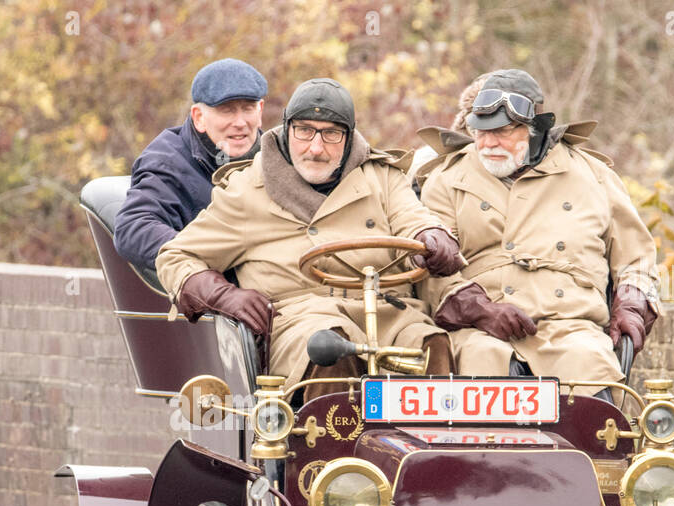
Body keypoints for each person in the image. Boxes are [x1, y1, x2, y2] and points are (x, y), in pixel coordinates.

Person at [155, 78, 465, 396]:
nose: (316, 148)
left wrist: (432, 236)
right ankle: (328, 446)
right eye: (304, 131)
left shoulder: (382, 177)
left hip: (390, 312)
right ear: (287, 130)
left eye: (331, 134)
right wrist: (224, 296)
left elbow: (413, 218)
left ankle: (429, 445)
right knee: (330, 344)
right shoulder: (247, 188)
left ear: (349, 138)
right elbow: (175, 256)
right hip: (301, 321)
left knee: (431, 343)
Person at [416, 69, 661, 397]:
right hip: (478, 332)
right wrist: (478, 309)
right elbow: (428, 269)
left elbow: (637, 257)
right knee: (477, 371)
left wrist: (631, 305)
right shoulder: (446, 180)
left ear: (534, 130)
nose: (488, 144)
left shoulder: (594, 176)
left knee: (591, 376)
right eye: (480, 131)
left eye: (501, 132)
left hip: (571, 329)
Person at [114, 58, 268, 274]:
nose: (241, 122)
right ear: (199, 117)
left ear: (260, 111)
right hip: (215, 296)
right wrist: (202, 270)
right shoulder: (168, 161)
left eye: (248, 109)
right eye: (227, 110)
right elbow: (134, 228)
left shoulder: (280, 156)